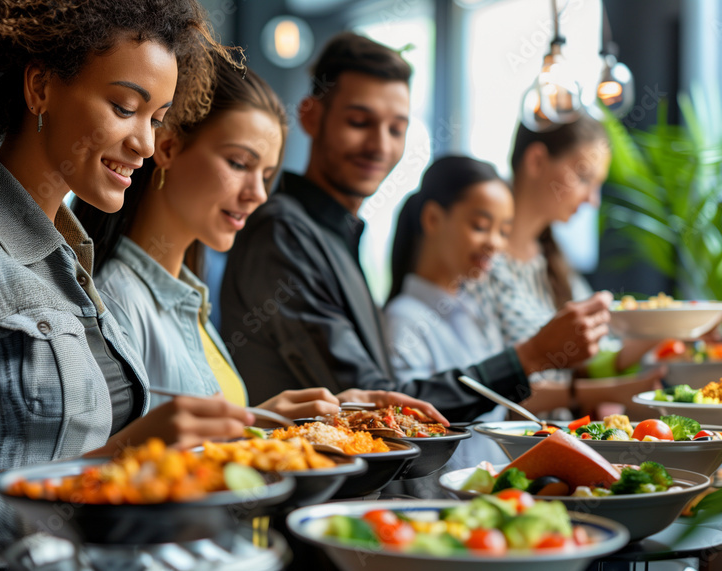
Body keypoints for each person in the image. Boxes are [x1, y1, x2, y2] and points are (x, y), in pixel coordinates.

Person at [0, 1, 253, 568]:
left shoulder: (71, 260)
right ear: (40, 87)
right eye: (124, 107)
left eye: (156, 118)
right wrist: (110, 465)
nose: (145, 143)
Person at [219, 32, 612, 424]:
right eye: (359, 122)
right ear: (310, 116)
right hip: (298, 478)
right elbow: (374, 403)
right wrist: (531, 356)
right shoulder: (284, 233)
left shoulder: (336, 234)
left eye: (396, 128)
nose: (379, 145)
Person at [73, 53, 443, 421]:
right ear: (168, 148)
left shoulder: (188, 300)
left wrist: (272, 419)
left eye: (266, 175)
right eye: (238, 163)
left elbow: (200, 443)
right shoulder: (118, 300)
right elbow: (115, 468)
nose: (258, 194)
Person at [464, 118, 659, 389]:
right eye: (583, 178)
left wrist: (667, 331)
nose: (593, 200)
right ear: (537, 161)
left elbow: (595, 361)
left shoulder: (552, 262)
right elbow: (477, 387)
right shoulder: (478, 264)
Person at [383, 156, 515, 467]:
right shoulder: (403, 319)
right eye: (481, 226)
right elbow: (411, 425)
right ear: (432, 219)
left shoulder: (476, 309)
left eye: (504, 231)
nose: (495, 243)